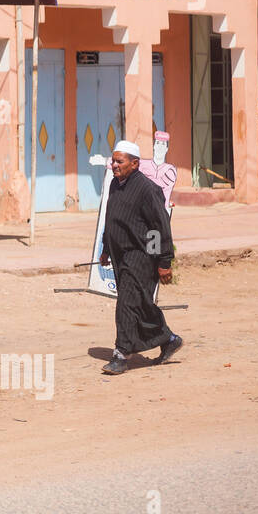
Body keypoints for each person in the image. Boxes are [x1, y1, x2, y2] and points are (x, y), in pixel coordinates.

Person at [98, 139, 181, 375]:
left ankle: (121, 354)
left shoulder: (147, 189)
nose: (114, 165)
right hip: (119, 254)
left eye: (119, 161)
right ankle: (169, 339)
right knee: (140, 304)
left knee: (126, 303)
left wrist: (163, 262)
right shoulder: (115, 184)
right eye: (113, 160)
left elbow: (159, 226)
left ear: (134, 164)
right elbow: (111, 218)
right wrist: (105, 249)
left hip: (141, 256)